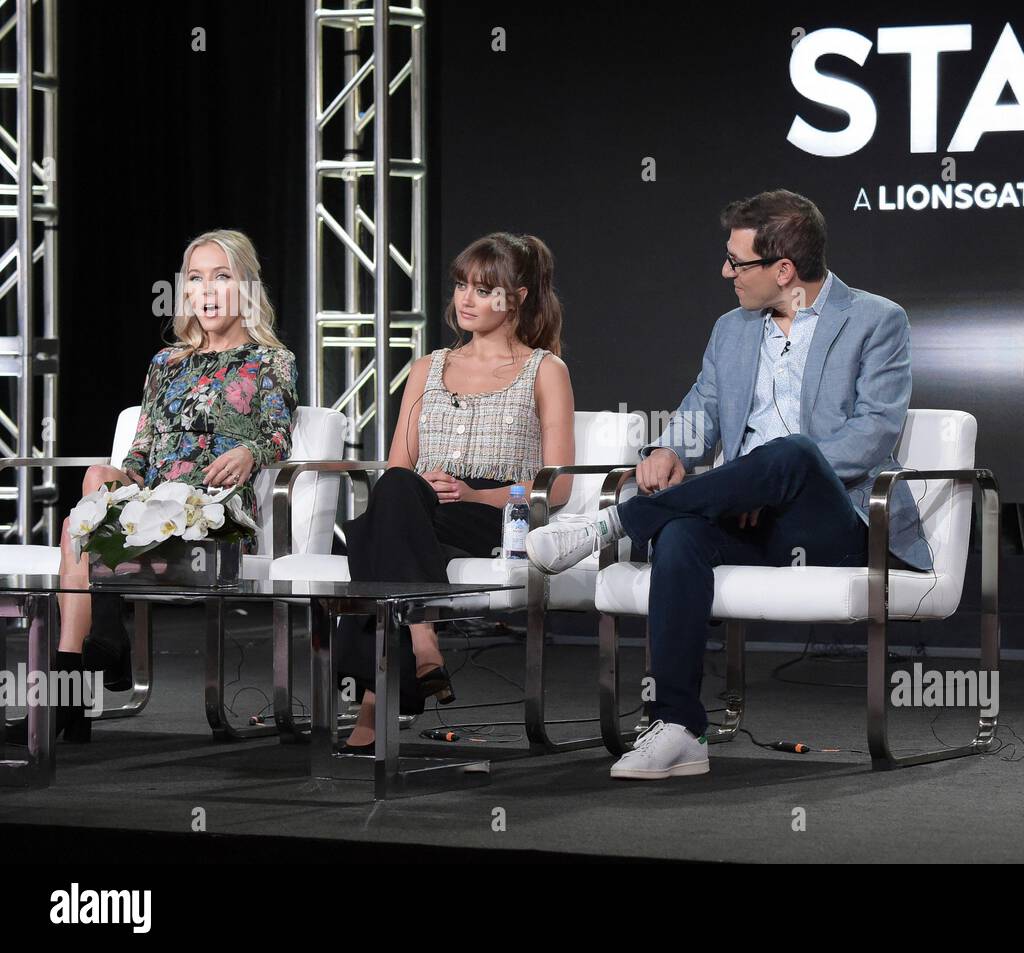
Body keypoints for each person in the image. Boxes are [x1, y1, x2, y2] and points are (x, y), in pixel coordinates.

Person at [526, 190, 932, 780]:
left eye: (737, 262)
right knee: (683, 539)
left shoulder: (876, 320)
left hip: (838, 522)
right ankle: (679, 728)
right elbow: (703, 409)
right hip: (750, 515)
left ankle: (617, 521)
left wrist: (764, 482)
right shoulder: (733, 329)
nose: (726, 273)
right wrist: (669, 448)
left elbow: (870, 436)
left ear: (783, 270)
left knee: (790, 452)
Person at [5, 228, 297, 744]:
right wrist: (112, 479)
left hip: (213, 513)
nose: (207, 291)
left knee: (82, 529)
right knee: (91, 493)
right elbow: (139, 457)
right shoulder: (166, 364)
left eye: (222, 278)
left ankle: (72, 685)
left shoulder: (270, 361)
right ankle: (91, 655)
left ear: (247, 288)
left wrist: (252, 452)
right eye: (196, 278)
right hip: (153, 513)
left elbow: (279, 434)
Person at [334, 232, 575, 754]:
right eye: (462, 285)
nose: (466, 299)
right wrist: (427, 487)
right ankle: (422, 640)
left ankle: (378, 700)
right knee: (395, 490)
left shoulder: (544, 369)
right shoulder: (428, 367)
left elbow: (556, 486)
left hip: (500, 514)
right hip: (420, 504)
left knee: (366, 539)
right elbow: (399, 465)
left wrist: (474, 494)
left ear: (520, 296)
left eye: (485, 289)